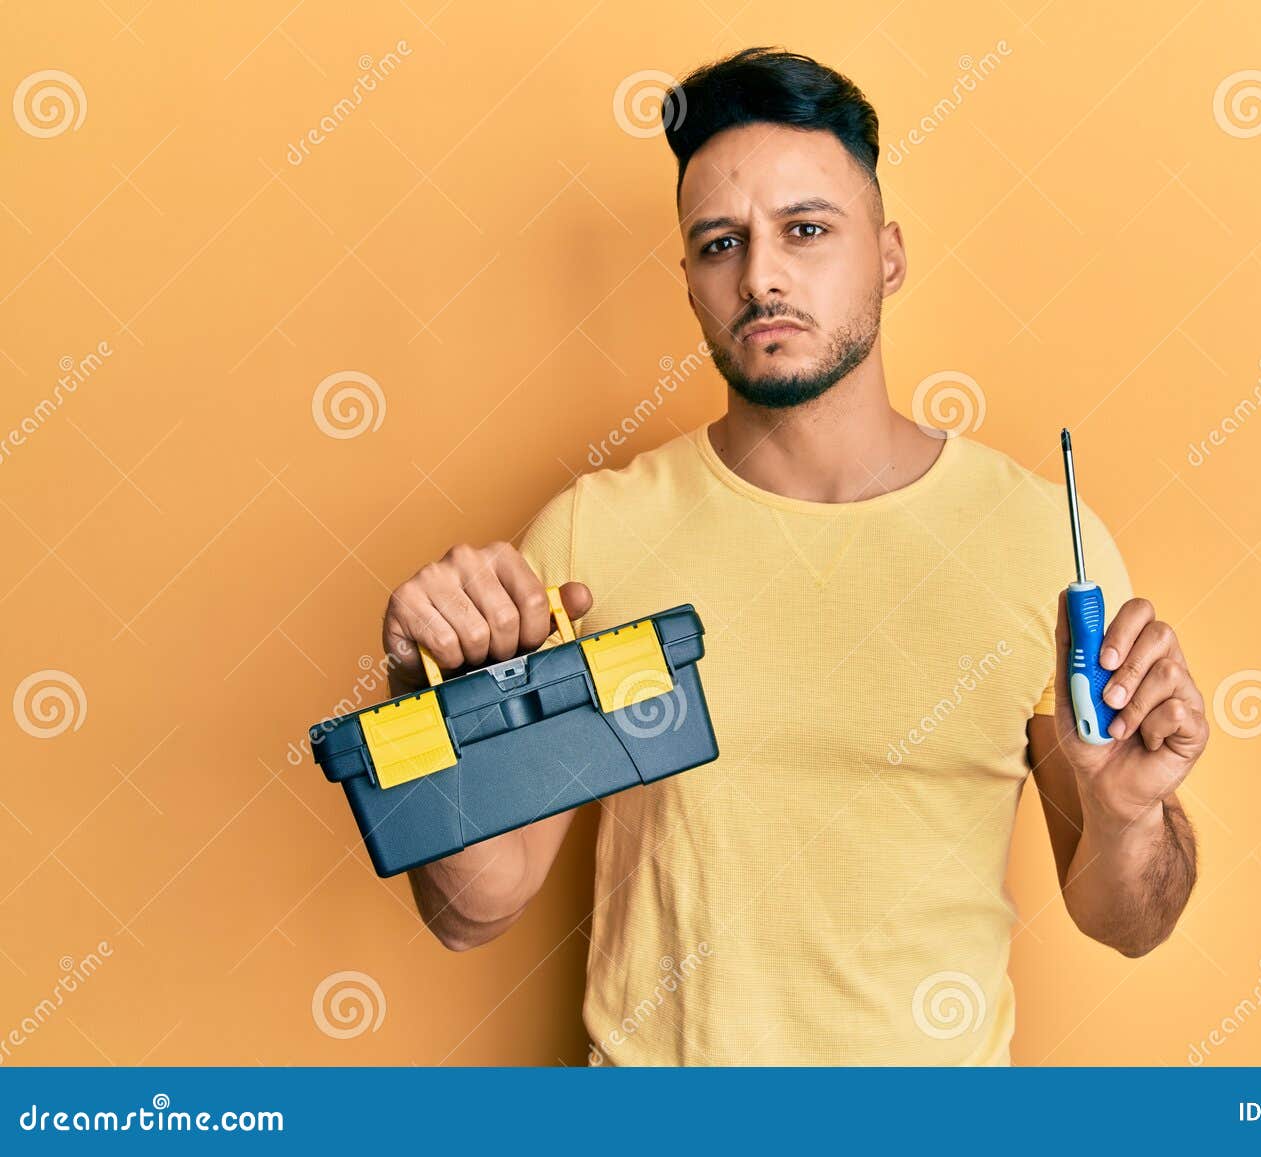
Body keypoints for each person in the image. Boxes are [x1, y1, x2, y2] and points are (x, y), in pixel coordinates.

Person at [380, 46, 1207, 1065]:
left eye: (806, 230)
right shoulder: (595, 535)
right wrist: (422, 712)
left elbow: (1131, 921)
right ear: (688, 283)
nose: (762, 275)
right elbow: (473, 907)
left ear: (889, 255)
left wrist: (1126, 815)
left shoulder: (1043, 540)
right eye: (720, 243)